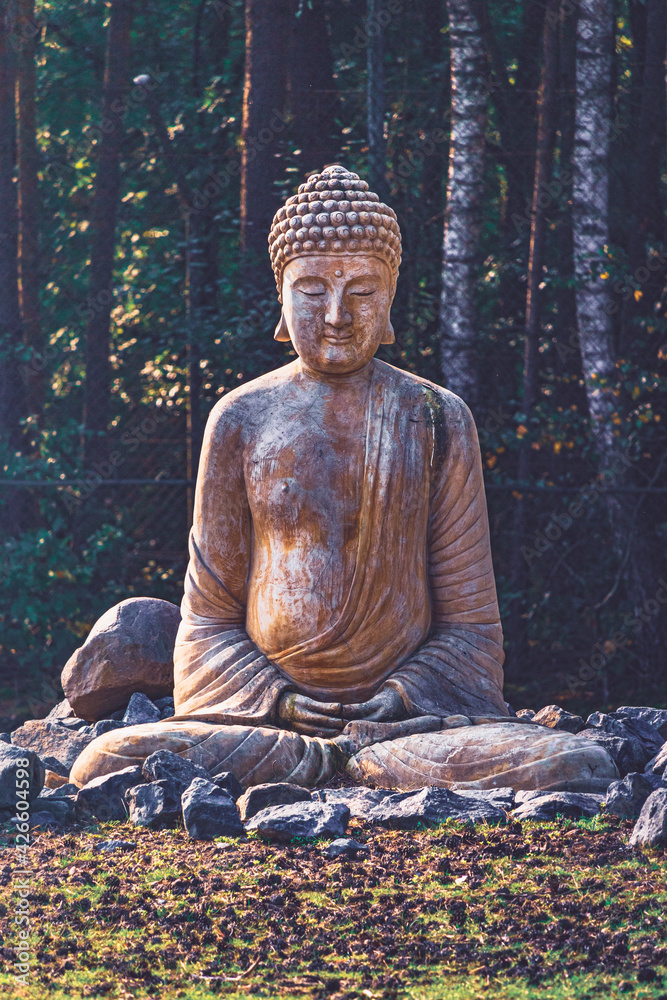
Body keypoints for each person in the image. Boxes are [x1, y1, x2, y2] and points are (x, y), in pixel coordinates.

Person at [71, 166, 617, 793]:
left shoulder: (435, 417)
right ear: (281, 297)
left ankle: (358, 763)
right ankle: (347, 768)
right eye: (311, 290)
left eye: (360, 292)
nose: (335, 315)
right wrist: (277, 699)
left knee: (576, 764)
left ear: (390, 301)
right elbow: (207, 622)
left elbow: (472, 629)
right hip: (270, 724)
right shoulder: (240, 419)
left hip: (408, 728)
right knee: (106, 761)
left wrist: (405, 696)